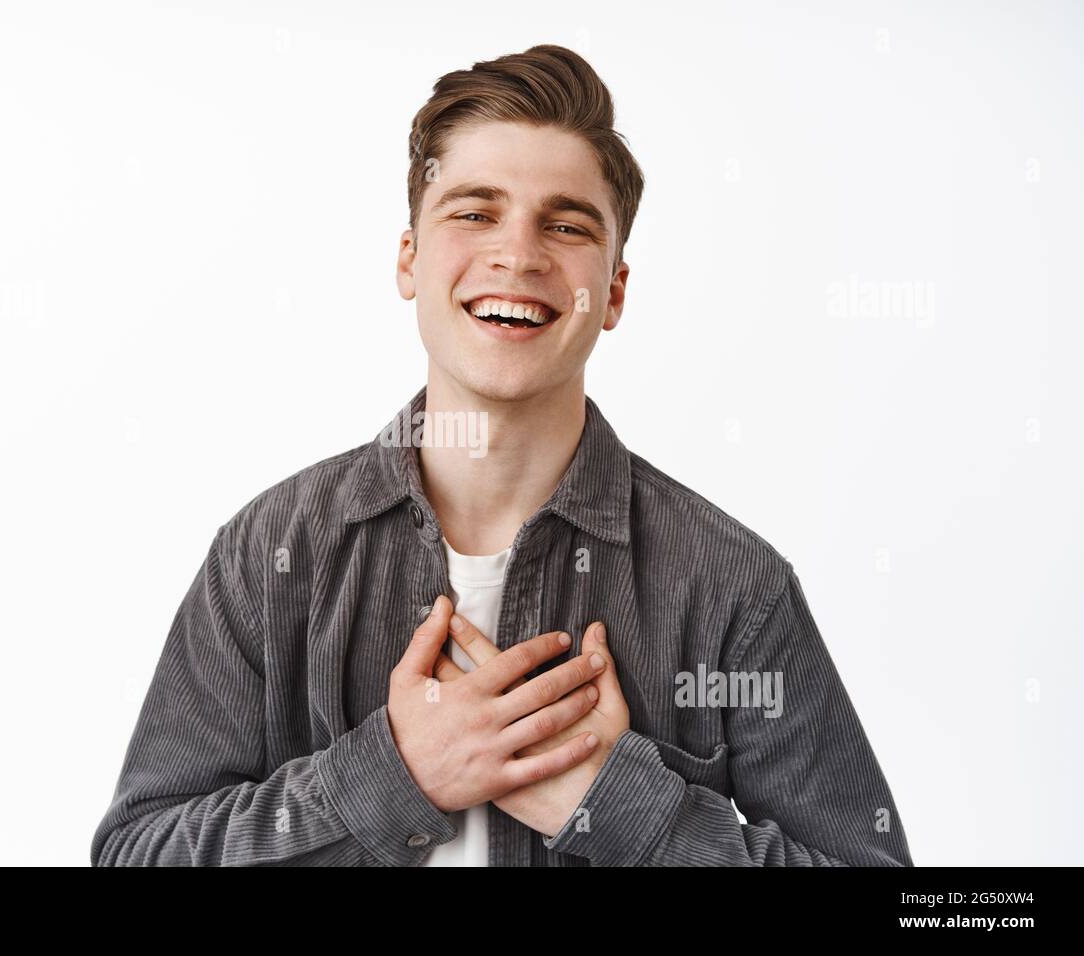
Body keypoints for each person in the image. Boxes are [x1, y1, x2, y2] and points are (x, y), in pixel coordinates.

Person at [89, 44, 913, 867]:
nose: (518, 255)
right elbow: (133, 855)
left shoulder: (734, 586)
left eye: (565, 224)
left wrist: (623, 808)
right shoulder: (268, 556)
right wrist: (396, 775)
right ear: (409, 257)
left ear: (615, 291)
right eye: (475, 212)